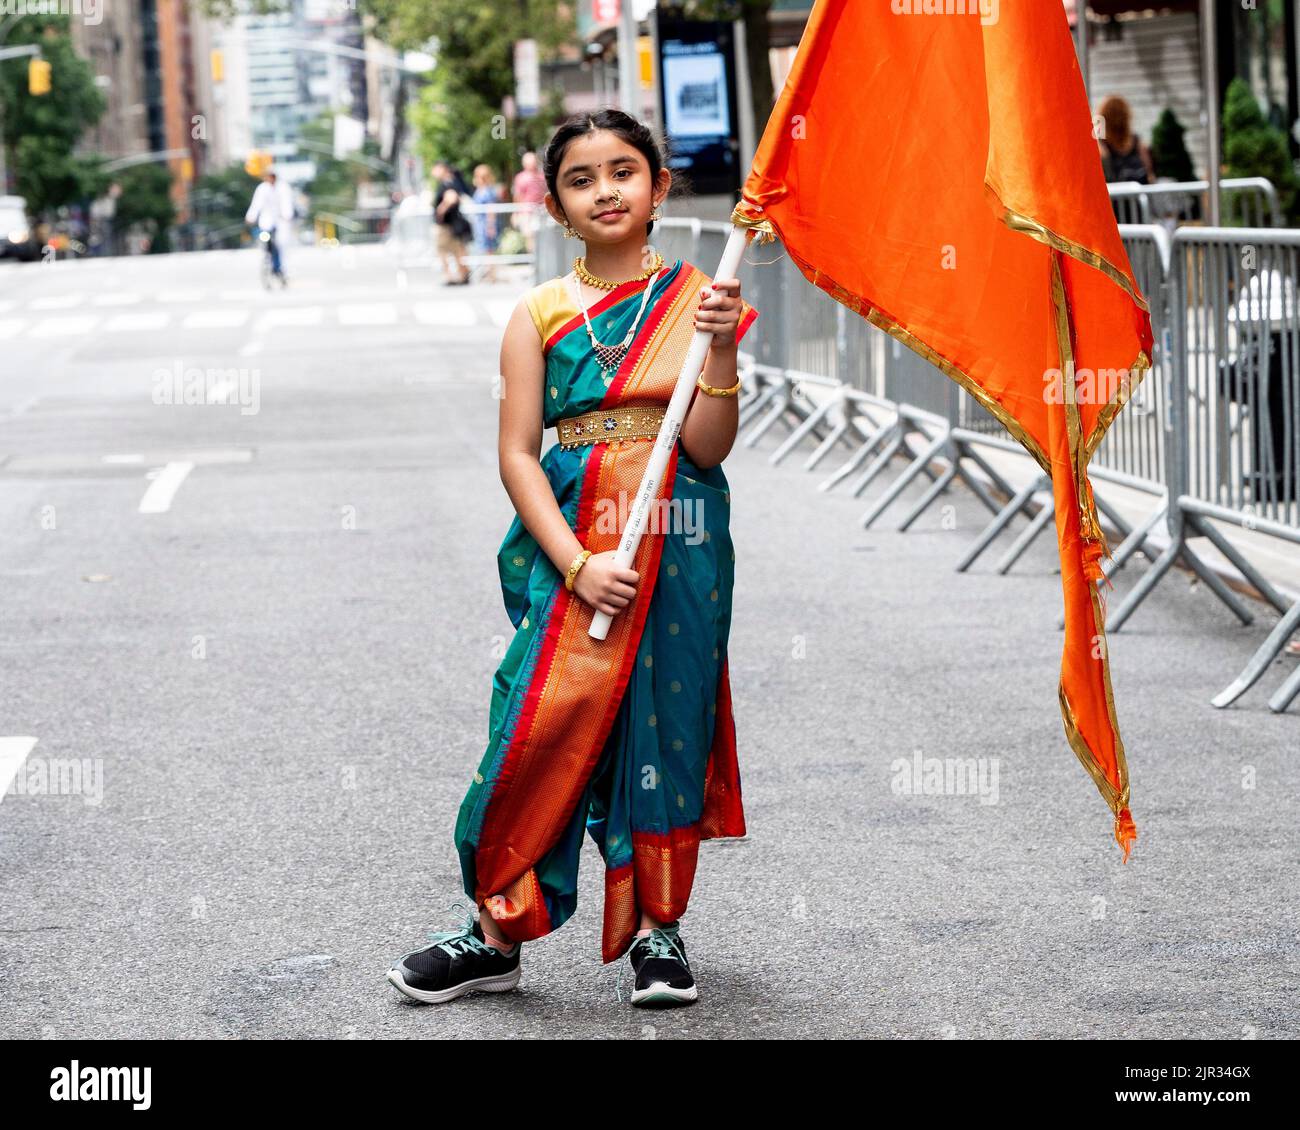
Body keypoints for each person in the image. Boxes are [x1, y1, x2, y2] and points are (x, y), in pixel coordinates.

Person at [386, 108, 759, 1009]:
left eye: (624, 170)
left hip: (679, 539)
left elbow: (708, 447)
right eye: (582, 178)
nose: (606, 191)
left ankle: (658, 934)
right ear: (554, 204)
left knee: (662, 733)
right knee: (535, 725)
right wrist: (575, 561)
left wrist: (718, 349)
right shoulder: (539, 313)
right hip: (574, 548)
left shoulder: (704, 295)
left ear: (659, 186)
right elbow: (517, 452)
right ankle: (493, 931)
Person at [243, 170, 296, 284]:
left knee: (281, 244)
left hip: (281, 220)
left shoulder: (283, 187)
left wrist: (287, 215)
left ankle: (282, 269)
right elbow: (256, 204)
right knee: (265, 240)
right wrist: (251, 217)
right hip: (266, 221)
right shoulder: (262, 189)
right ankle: (267, 257)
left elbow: (287, 203)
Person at [1096, 95, 1156, 185]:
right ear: (1127, 116)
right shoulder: (1137, 143)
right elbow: (1150, 175)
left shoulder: (1101, 146)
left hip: (1115, 196)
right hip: (1139, 195)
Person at [431, 159, 472, 286]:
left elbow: (452, 197)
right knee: (457, 250)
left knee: (444, 250)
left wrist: (441, 210)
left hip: (446, 225)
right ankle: (462, 274)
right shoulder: (452, 181)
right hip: (452, 224)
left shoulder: (447, 183)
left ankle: (453, 276)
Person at [469, 163, 503, 283]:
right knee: (486, 249)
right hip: (480, 224)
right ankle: (489, 273)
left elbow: (490, 210)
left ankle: (491, 274)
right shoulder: (481, 190)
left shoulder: (488, 191)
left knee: (489, 250)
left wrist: (490, 225)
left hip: (486, 224)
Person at [510, 150, 547, 253]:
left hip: (541, 212)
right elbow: (517, 196)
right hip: (526, 213)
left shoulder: (542, 176)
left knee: (541, 237)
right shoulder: (520, 178)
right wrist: (516, 213)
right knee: (530, 237)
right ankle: (533, 260)